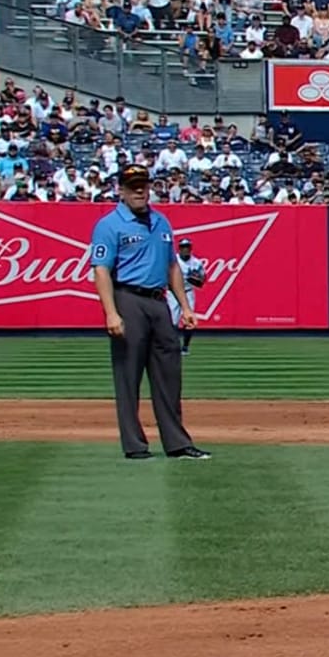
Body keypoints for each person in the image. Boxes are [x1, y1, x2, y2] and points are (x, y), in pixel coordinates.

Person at [88, 164, 211, 461]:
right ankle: (134, 445)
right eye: (132, 186)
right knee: (128, 375)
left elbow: (172, 267)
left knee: (169, 373)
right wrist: (111, 313)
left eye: (143, 184)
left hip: (159, 301)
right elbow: (101, 270)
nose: (139, 190)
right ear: (121, 190)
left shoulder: (161, 222)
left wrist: (185, 305)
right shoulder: (109, 224)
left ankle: (177, 443)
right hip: (128, 297)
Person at [169, 238, 206, 357]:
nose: (185, 249)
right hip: (173, 292)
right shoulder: (173, 260)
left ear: (190, 248)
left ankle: (185, 346)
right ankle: (172, 346)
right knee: (172, 321)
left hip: (188, 291)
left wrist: (195, 279)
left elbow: (201, 282)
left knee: (189, 320)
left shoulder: (196, 262)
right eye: (183, 247)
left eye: (187, 247)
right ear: (179, 249)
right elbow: (165, 275)